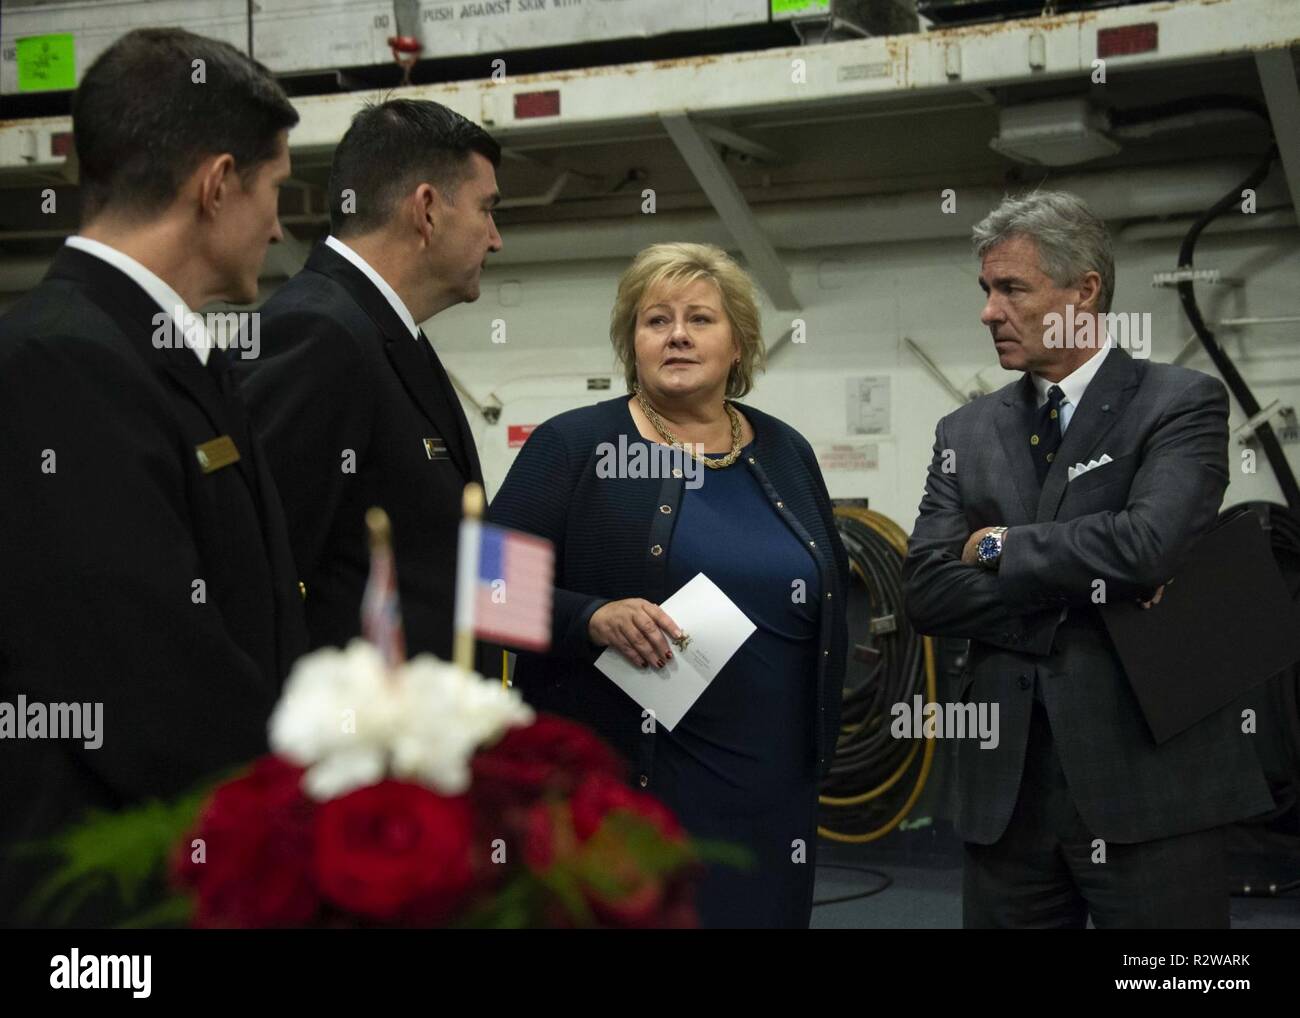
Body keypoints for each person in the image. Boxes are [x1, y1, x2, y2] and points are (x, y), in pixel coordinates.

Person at [901, 191, 1274, 929]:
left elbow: (1146, 546)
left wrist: (1000, 547)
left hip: (1149, 783)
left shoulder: (1179, 402)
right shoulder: (965, 429)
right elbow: (926, 591)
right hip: (1004, 796)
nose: (988, 312)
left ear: (1084, 292)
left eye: (1011, 289)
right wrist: (1093, 588)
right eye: (986, 290)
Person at [0, 28, 306, 925]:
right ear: (216, 185)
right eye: (275, 189)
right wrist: (297, 825)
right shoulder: (63, 359)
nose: (281, 225)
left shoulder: (146, 345)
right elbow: (136, 671)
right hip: (110, 895)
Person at [489, 242, 848, 928]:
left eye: (700, 319)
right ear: (633, 343)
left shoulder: (786, 451)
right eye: (656, 320)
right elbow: (483, 586)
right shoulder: (574, 447)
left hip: (773, 792)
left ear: (738, 344)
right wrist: (589, 617)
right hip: (634, 794)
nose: (678, 334)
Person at [237, 99, 502, 662]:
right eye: (486, 210)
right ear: (427, 210)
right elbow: (256, 576)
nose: (495, 238)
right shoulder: (319, 333)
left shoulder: (384, 329)